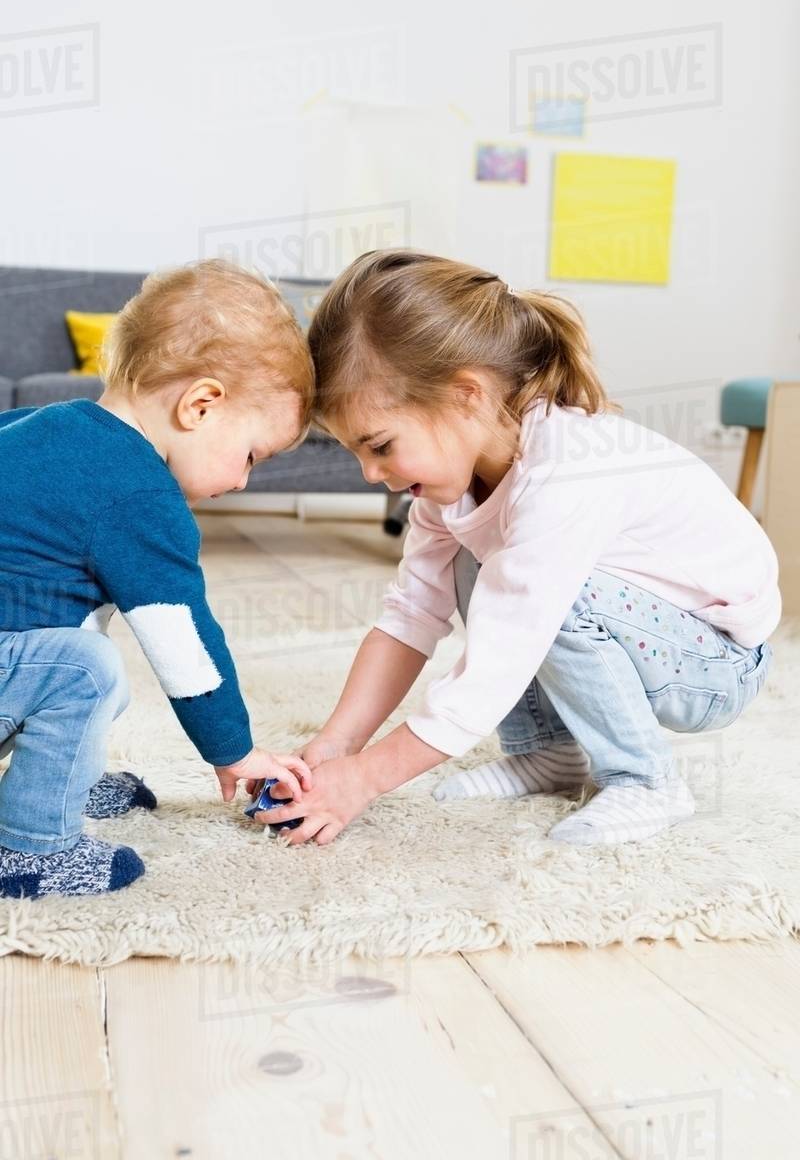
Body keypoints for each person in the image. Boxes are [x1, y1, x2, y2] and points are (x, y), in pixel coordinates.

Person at [253, 249, 779, 848]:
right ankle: (548, 755)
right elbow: (408, 618)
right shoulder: (447, 490)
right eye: (357, 454)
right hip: (649, 631)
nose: (371, 474)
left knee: (551, 593)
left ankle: (647, 780)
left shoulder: (564, 475)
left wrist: (365, 780)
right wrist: (335, 748)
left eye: (380, 445)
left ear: (466, 395)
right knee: (482, 564)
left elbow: (500, 661)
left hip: (719, 659)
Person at [0, 260, 312, 898]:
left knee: (79, 660)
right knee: (85, 670)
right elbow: (184, 644)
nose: (243, 480)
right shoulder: (140, 495)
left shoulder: (48, 425)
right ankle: (30, 849)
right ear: (201, 405)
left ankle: (62, 781)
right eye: (250, 455)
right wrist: (237, 752)